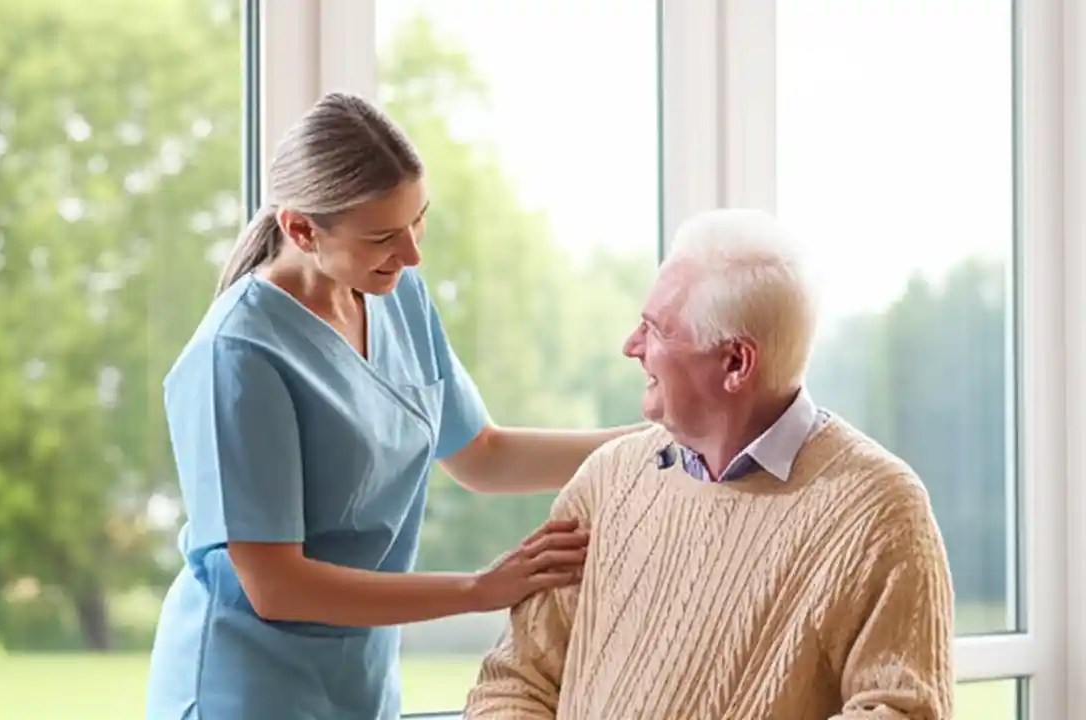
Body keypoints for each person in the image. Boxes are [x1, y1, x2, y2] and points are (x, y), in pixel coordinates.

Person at [143, 92, 648, 720]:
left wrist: (655, 440)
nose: (412, 254)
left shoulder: (394, 293)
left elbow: (483, 455)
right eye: (383, 236)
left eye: (418, 222)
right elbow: (275, 585)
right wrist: (480, 589)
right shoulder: (237, 356)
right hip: (246, 688)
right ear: (301, 229)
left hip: (358, 681)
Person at [464, 208, 955, 719]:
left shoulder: (879, 508)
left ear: (736, 363)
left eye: (656, 330)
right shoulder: (605, 482)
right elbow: (513, 684)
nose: (631, 346)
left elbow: (903, 710)